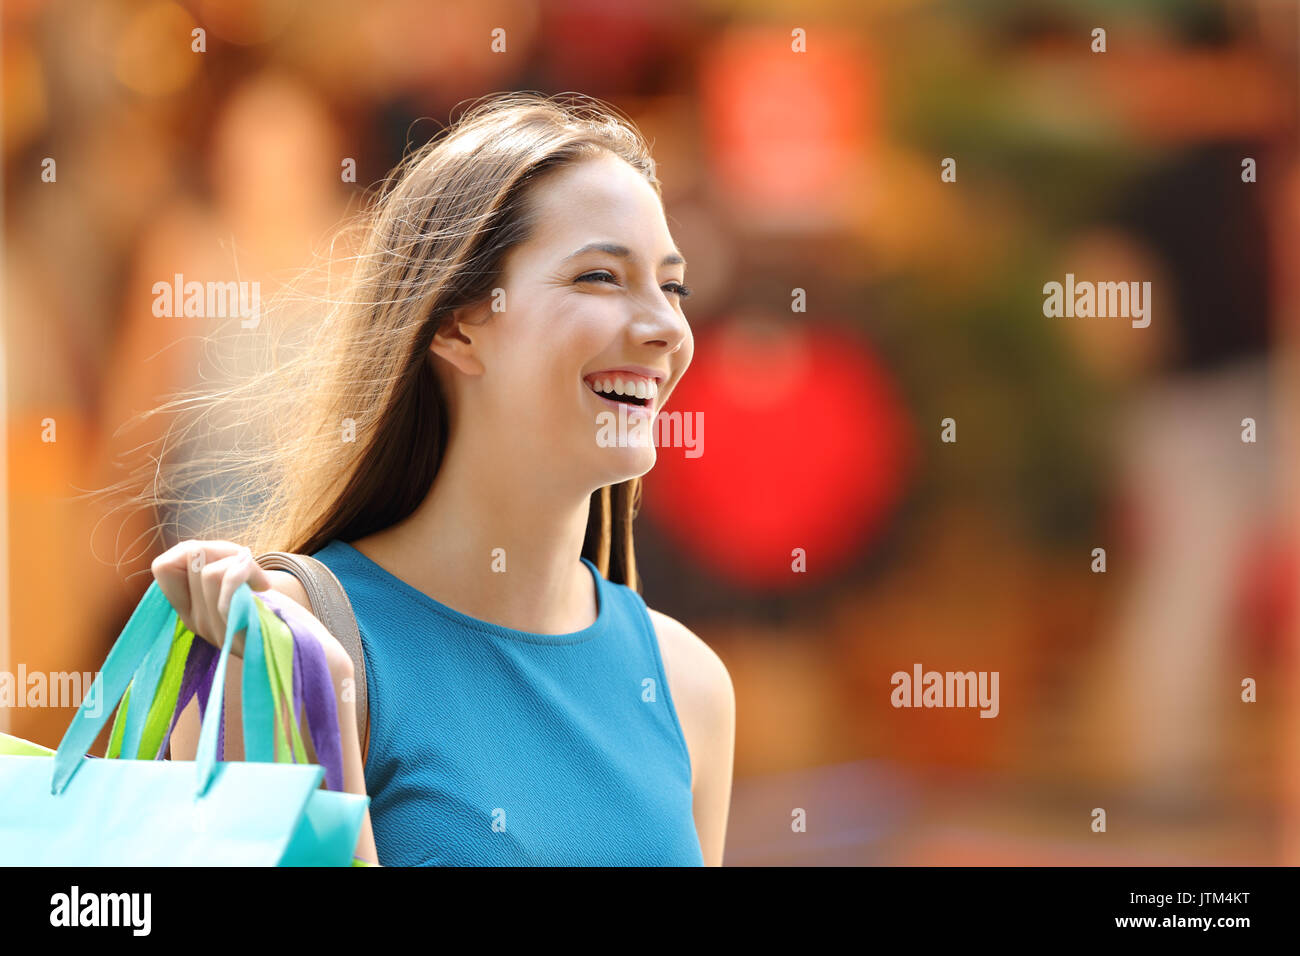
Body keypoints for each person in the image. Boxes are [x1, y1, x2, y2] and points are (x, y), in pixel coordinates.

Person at [141, 93, 735, 865]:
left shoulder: (689, 687)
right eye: (598, 277)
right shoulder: (282, 643)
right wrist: (319, 708)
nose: (665, 327)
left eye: (672, 286)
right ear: (456, 324)